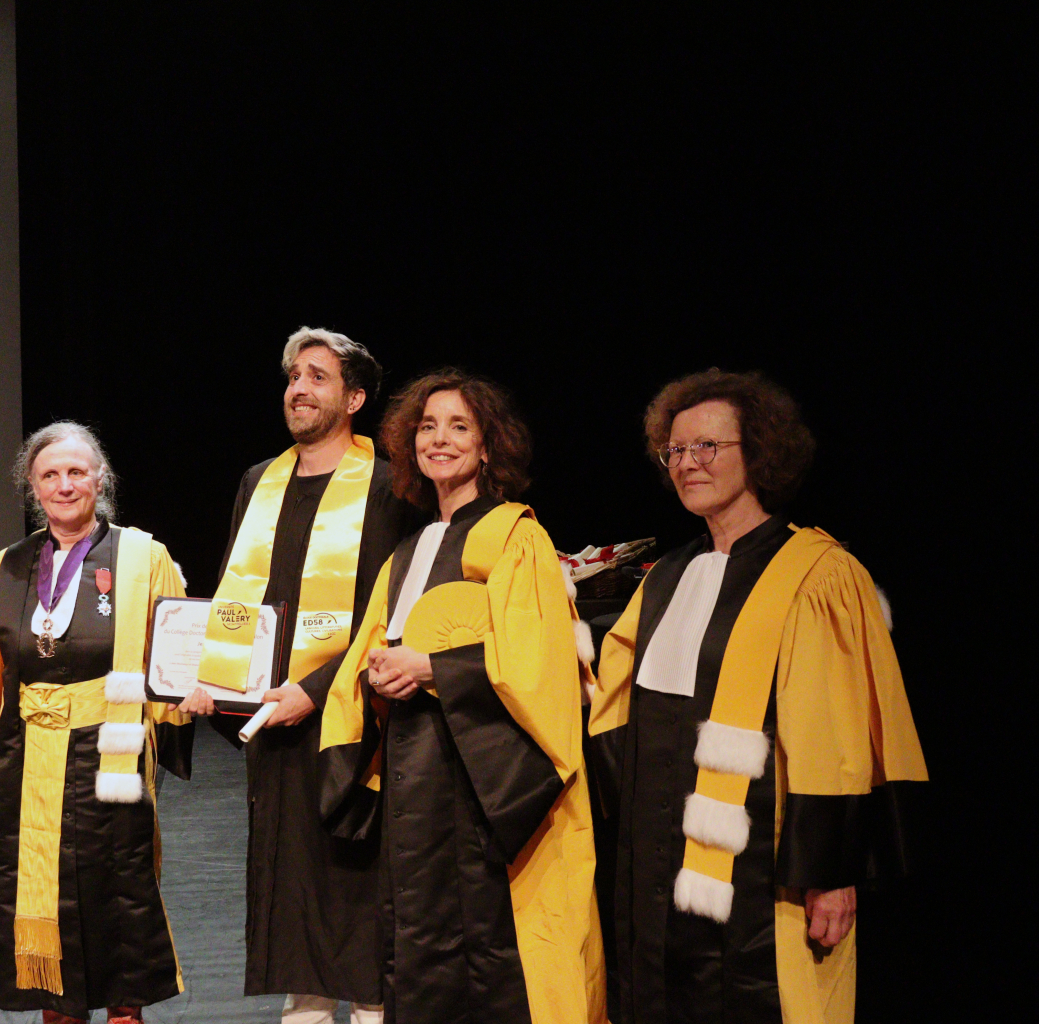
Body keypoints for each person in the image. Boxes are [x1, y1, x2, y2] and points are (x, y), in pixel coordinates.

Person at [587, 369, 929, 1024]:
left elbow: (835, 735)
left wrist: (830, 872)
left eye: (708, 447)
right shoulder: (667, 576)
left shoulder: (815, 572)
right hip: (654, 868)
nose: (688, 463)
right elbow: (617, 702)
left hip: (762, 877)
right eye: (676, 451)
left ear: (761, 453)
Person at [319, 369, 607, 1024]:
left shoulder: (515, 535)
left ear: (487, 447)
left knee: (486, 963)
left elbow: (538, 666)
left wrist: (433, 668)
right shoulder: (409, 550)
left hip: (483, 794)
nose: (438, 439)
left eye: (458, 427)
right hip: (413, 788)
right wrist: (377, 680)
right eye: (426, 426)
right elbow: (365, 658)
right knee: (419, 955)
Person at [183, 327, 420, 1024]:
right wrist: (215, 681)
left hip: (358, 722)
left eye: (317, 376)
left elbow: (395, 611)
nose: (298, 388)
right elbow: (239, 598)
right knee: (292, 899)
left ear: (354, 396)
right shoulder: (260, 481)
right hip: (276, 732)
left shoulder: (389, 487)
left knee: (360, 898)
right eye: (293, 375)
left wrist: (314, 692)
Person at [0, 421, 195, 1024]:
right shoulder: (7, 565)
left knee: (119, 902)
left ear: (100, 480)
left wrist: (182, 707)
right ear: (32, 487)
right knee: (41, 910)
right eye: (49, 475)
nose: (64, 485)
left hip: (108, 755)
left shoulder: (145, 556)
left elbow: (175, 653)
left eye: (76, 472)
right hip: (26, 756)